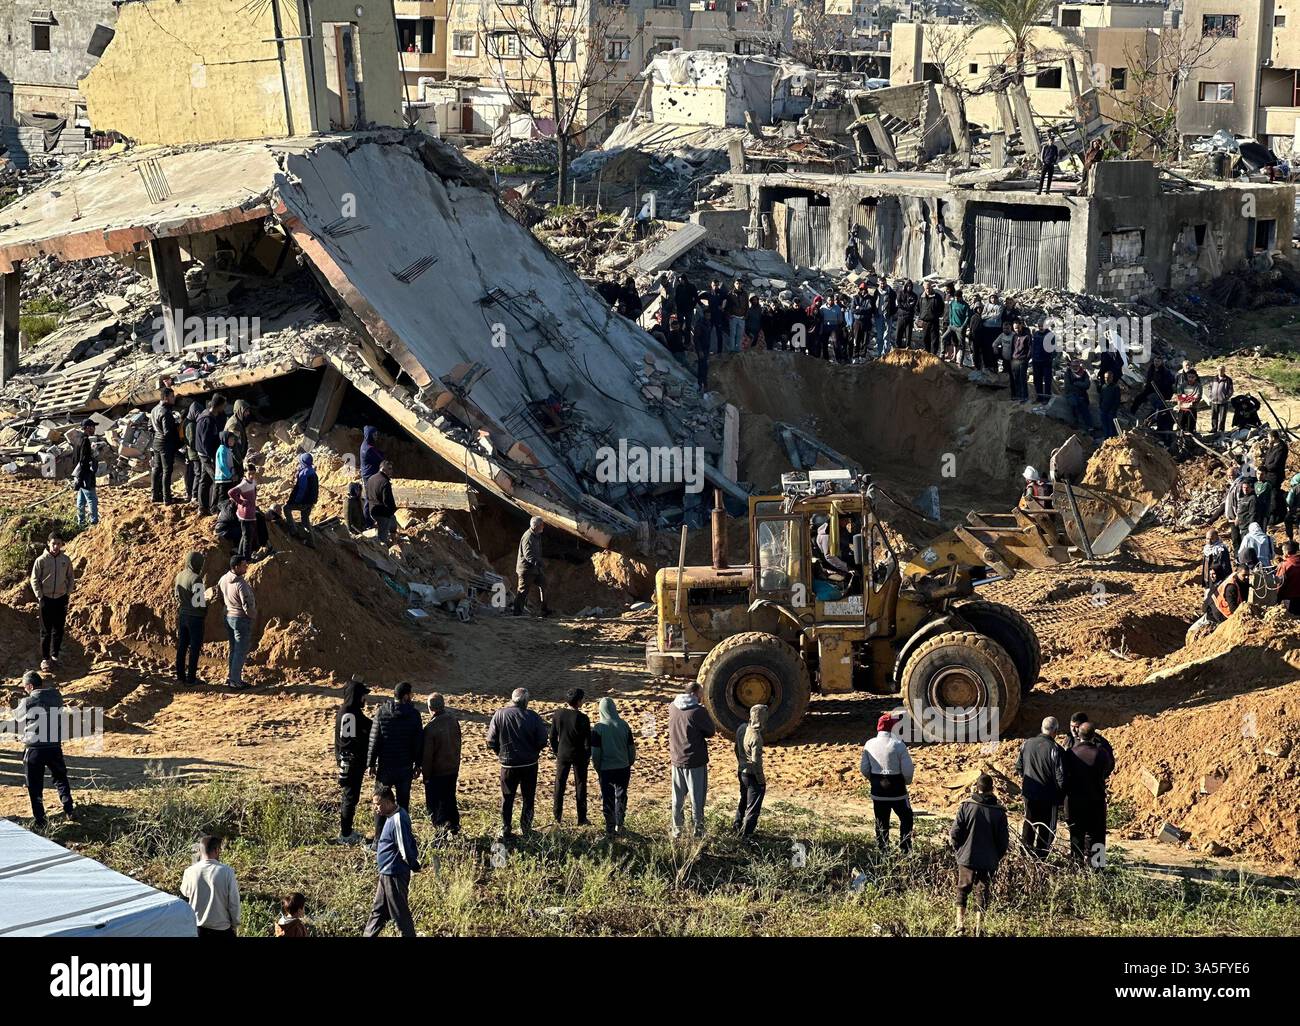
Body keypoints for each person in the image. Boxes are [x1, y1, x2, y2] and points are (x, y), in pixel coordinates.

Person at [3, 670, 76, 828]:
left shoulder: (27, 701)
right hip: (54, 747)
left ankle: (40, 820)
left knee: (35, 786)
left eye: (25, 687)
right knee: (60, 778)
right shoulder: (57, 696)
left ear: (29, 686)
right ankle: (69, 809)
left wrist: (16, 703)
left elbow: (18, 718)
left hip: (34, 748)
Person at [950, 773, 1009, 935]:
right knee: (982, 891)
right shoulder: (999, 812)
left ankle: (960, 925)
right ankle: (978, 928)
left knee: (962, 888)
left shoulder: (966, 806)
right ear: (992, 789)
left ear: (977, 788)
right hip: (988, 859)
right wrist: (996, 857)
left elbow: (955, 833)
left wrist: (959, 851)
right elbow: (1003, 842)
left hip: (966, 857)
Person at [486, 687, 549, 840]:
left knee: (507, 798)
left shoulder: (500, 714)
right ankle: (526, 828)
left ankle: (506, 828)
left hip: (508, 765)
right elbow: (542, 740)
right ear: (526, 701)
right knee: (528, 798)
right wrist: (533, 751)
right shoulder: (533, 716)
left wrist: (500, 754)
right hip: (529, 764)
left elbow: (490, 741)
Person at [366, 681, 423, 838]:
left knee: (380, 803)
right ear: (405, 696)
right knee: (403, 804)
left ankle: (379, 838)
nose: (412, 697)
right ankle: (402, 836)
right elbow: (418, 742)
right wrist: (418, 764)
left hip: (385, 766)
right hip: (404, 767)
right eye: (410, 695)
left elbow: (374, 739)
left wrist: (370, 763)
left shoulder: (382, 712)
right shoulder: (414, 715)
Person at [363, 786, 420, 938]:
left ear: (389, 802)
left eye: (378, 804)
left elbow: (404, 847)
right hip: (386, 873)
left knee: (400, 913)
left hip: (394, 873)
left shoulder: (398, 818)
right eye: (374, 804)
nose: (375, 808)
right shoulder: (391, 817)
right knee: (378, 911)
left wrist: (413, 864)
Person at [1062, 721, 1114, 866]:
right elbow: (1107, 770)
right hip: (1095, 801)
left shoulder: (1070, 754)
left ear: (1078, 735)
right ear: (1094, 736)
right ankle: (1097, 867)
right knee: (1097, 835)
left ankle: (1076, 866)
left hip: (1074, 802)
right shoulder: (1101, 754)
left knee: (1076, 836)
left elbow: (1064, 775)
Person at [861, 712, 915, 852]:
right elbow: (908, 770)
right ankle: (905, 847)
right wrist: (906, 782)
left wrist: (874, 779)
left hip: (878, 792)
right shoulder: (898, 745)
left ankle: (883, 849)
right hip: (898, 792)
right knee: (906, 817)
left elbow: (864, 768)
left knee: (881, 821)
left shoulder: (869, 744)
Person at [669, 682, 715, 839]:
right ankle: (698, 832)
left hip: (676, 759)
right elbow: (710, 731)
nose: (702, 696)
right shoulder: (698, 711)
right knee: (697, 800)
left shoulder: (672, 707)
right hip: (694, 761)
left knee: (677, 800)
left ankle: (677, 831)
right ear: (695, 694)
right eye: (701, 693)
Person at [1014, 716, 1065, 858]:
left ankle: (1025, 856)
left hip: (1029, 794)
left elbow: (1019, 768)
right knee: (1046, 830)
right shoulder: (1055, 749)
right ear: (1055, 731)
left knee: (1029, 825)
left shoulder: (1027, 744)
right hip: (1048, 797)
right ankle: (1041, 859)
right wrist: (1061, 797)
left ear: (1041, 728)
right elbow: (1060, 777)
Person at [591, 696, 636, 838]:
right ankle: (620, 824)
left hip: (606, 769)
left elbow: (595, 753)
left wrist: (598, 768)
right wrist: (629, 763)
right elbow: (631, 748)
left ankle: (609, 828)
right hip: (623, 767)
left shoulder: (599, 728)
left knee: (608, 798)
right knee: (621, 796)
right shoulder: (624, 725)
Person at [335, 675, 372, 844]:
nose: (365, 699)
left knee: (350, 797)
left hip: (348, 761)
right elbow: (353, 740)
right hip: (351, 763)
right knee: (350, 797)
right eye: (363, 695)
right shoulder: (350, 714)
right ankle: (346, 834)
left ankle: (347, 831)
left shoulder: (346, 711)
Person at [31, 533, 75, 673]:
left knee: (59, 629)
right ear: (48, 543)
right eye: (53, 543)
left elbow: (71, 577)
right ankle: (45, 659)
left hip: (61, 598)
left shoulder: (65, 560)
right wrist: (40, 596)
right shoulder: (41, 560)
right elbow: (34, 579)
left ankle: (55, 656)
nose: (56, 546)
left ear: (62, 544)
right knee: (46, 631)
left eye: (59, 543)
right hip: (46, 599)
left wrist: (67, 593)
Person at [180, 836, 240, 938]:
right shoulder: (227, 872)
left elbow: (185, 892)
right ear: (216, 850)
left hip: (197, 928)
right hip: (221, 929)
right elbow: (234, 902)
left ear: (199, 850)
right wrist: (235, 923)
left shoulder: (189, 871)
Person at [421, 694, 462, 837]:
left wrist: (425, 776)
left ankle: (440, 830)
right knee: (450, 798)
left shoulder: (430, 728)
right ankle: (454, 826)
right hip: (452, 768)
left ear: (430, 708)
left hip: (437, 772)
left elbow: (427, 756)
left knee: (435, 804)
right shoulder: (453, 720)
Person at [549, 687, 591, 826]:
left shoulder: (558, 714)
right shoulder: (583, 718)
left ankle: (557, 817)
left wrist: (557, 751)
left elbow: (552, 736)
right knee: (580, 786)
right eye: (582, 699)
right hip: (579, 756)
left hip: (563, 754)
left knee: (559, 785)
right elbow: (587, 742)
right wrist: (587, 756)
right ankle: (582, 818)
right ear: (578, 702)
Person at [217, 554, 255, 690]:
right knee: (240, 651)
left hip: (228, 617)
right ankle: (235, 681)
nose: (246, 567)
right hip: (240, 619)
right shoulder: (241, 584)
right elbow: (247, 606)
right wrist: (252, 616)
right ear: (236, 567)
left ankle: (231, 677)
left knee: (233, 649)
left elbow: (219, 596)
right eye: (244, 565)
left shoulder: (223, 579)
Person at [174, 550, 211, 686]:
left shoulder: (179, 576)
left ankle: (180, 676)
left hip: (183, 615)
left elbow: (177, 597)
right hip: (195, 618)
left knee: (182, 647)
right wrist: (208, 602)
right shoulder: (196, 578)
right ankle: (191, 678)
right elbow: (198, 602)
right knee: (194, 648)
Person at [733, 703, 767, 837]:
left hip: (741, 771)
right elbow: (756, 761)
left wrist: (740, 763)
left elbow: (736, 748)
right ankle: (746, 836)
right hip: (752, 775)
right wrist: (761, 780)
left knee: (743, 800)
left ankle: (736, 826)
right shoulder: (756, 737)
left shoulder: (741, 728)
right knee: (753, 807)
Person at [195, 394, 227, 515]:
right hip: (206, 454)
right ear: (218, 406)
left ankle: (203, 507)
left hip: (205, 453)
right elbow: (205, 442)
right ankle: (214, 508)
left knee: (205, 480)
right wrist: (213, 457)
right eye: (223, 405)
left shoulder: (210, 415)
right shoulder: (206, 420)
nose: (224, 408)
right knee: (217, 479)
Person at [149, 387, 182, 504]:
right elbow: (168, 432)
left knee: (157, 469)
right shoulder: (165, 412)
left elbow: (150, 428)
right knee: (167, 470)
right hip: (165, 444)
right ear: (166, 397)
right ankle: (167, 497)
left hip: (156, 442)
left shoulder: (154, 410)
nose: (174, 399)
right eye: (172, 396)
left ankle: (154, 494)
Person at [1130, 354, 1175, 439]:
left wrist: (1162, 387)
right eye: (1155, 361)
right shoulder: (1151, 369)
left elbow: (1170, 381)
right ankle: (1132, 413)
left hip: (1162, 391)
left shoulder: (1165, 371)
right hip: (1151, 389)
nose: (1156, 363)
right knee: (1139, 398)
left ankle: (1154, 422)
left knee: (1159, 407)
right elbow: (1148, 380)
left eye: (1158, 361)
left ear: (1161, 362)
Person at [512, 515, 550, 616]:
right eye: (541, 525)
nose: (543, 527)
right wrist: (540, 563)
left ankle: (544, 610)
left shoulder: (536, 535)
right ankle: (517, 613)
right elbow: (528, 555)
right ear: (535, 526)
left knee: (544, 584)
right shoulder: (528, 537)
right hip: (526, 569)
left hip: (535, 569)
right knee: (523, 591)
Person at [228, 462, 261, 561]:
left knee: (245, 535)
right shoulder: (244, 484)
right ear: (245, 473)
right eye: (249, 473)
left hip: (250, 512)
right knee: (248, 538)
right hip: (245, 515)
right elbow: (231, 492)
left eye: (253, 473)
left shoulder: (253, 481)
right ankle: (247, 559)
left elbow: (254, 489)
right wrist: (241, 501)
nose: (251, 476)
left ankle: (240, 555)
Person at [72, 419, 99, 528]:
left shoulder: (77, 439)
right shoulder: (85, 440)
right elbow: (83, 460)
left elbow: (75, 458)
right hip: (85, 474)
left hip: (78, 473)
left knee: (81, 500)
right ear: (87, 427)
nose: (94, 429)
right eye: (92, 426)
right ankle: (94, 523)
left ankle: (81, 523)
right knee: (92, 499)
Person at [1260, 430, 1290, 526]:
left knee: (1274, 495)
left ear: (1273, 437)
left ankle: (1276, 517)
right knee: (1271, 494)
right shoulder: (1272, 445)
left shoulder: (1282, 447)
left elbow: (1276, 464)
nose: (1268, 439)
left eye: (1269, 437)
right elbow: (1267, 458)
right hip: (1268, 474)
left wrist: (1265, 468)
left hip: (1275, 475)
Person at [365, 460, 398, 545]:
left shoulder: (371, 479)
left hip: (372, 510)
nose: (391, 471)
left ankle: (393, 539)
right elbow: (387, 501)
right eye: (389, 469)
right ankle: (382, 551)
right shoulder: (385, 482)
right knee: (382, 538)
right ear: (383, 469)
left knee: (393, 520)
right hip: (382, 514)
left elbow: (367, 496)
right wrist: (393, 510)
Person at [284, 452, 319, 532]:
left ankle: (293, 530)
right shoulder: (313, 472)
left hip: (304, 502)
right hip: (310, 502)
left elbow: (301, 489)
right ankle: (311, 541)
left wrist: (296, 501)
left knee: (286, 508)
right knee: (305, 520)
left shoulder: (304, 473)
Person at [359, 425, 384, 527]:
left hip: (367, 474)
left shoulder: (365, 445)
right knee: (370, 499)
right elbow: (380, 458)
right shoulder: (369, 449)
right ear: (369, 435)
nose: (376, 436)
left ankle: (370, 520)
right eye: (374, 434)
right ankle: (369, 523)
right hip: (370, 476)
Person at [1226, 475, 1257, 554]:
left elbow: (1252, 514)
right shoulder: (1242, 498)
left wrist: (1250, 527)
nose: (1245, 490)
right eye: (1243, 488)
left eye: (1247, 488)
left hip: (1247, 527)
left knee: (1247, 546)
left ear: (1251, 488)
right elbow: (1240, 510)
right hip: (1240, 525)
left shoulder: (1252, 498)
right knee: (1237, 541)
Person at [223, 398, 253, 479]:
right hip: (233, 461)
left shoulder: (238, 421)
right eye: (246, 411)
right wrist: (239, 461)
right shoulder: (234, 425)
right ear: (240, 411)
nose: (248, 413)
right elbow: (232, 446)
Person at [1173, 360, 1203, 435]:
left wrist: (1187, 399)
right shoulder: (1182, 384)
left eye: (1192, 377)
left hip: (1192, 409)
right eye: (1189, 377)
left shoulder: (1198, 386)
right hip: (1182, 408)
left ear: (1195, 377)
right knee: (1180, 427)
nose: (1191, 378)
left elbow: (1197, 397)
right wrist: (1180, 403)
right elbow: (1179, 395)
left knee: (1190, 428)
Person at [214, 431, 238, 522]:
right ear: (225, 439)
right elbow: (222, 465)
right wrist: (230, 475)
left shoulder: (227, 449)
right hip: (223, 479)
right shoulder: (222, 450)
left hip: (227, 479)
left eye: (233, 439)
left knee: (227, 497)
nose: (233, 441)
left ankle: (226, 513)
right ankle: (220, 515)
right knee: (222, 498)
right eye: (231, 439)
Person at [1063, 359, 1093, 430]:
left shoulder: (1084, 373)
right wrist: (1080, 387)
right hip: (1071, 395)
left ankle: (1089, 427)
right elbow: (1067, 386)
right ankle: (1075, 424)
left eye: (1076, 366)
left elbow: (1087, 385)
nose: (1075, 367)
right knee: (1074, 404)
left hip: (1082, 395)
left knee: (1085, 407)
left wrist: (1077, 384)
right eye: (1073, 366)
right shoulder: (1068, 373)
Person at [1030, 321, 1054, 405]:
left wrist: (1052, 358)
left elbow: (1054, 348)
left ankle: (1047, 398)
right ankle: (1039, 397)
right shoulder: (1036, 334)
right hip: (1036, 361)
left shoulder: (1050, 335)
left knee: (1047, 380)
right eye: (1039, 326)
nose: (1041, 328)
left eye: (1042, 326)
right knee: (1037, 380)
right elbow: (1033, 346)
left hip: (1046, 361)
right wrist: (1032, 357)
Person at [916, 280, 943, 355]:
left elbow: (941, 308)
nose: (927, 290)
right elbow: (917, 307)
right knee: (925, 339)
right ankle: (927, 354)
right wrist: (920, 316)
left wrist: (936, 315)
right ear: (924, 287)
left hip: (934, 321)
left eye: (929, 288)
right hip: (925, 322)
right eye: (926, 288)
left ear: (931, 287)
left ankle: (934, 354)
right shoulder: (921, 296)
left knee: (934, 339)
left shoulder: (937, 297)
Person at [183, 399, 202, 505]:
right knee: (197, 474)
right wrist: (199, 449)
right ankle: (194, 495)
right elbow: (191, 440)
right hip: (194, 454)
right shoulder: (190, 424)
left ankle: (191, 493)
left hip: (191, 453)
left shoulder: (189, 422)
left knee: (193, 473)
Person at [1007, 320, 1032, 401]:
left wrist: (1026, 359)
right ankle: (1018, 395)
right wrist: (1011, 358)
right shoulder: (1014, 336)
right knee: (1015, 378)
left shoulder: (1026, 336)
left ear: (1021, 326)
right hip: (1014, 360)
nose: (1016, 329)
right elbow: (1012, 348)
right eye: (1015, 328)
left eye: (1017, 328)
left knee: (1023, 378)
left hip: (1022, 360)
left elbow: (1030, 349)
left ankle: (1024, 396)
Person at [691, 296, 712, 389]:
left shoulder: (708, 323)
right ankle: (700, 383)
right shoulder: (700, 324)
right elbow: (696, 338)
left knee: (705, 366)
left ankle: (704, 382)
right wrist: (699, 350)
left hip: (706, 347)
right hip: (701, 348)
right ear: (704, 315)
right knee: (701, 366)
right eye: (707, 315)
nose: (708, 316)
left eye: (709, 315)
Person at [1207, 365, 1233, 435]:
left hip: (1223, 401)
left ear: (1224, 370)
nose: (1220, 371)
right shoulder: (1213, 379)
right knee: (1214, 416)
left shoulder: (1228, 379)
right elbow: (1209, 388)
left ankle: (1221, 430)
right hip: (1214, 401)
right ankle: (1214, 429)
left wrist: (1226, 397)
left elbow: (1231, 390)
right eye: (1219, 370)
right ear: (1217, 370)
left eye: (1222, 370)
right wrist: (1210, 396)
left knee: (1222, 417)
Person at [1275, 541, 1300, 613]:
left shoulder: (1284, 565)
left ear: (1286, 552)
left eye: (1283, 551)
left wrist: (1278, 599)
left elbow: (1279, 584)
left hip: (1290, 599)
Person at [894, 279, 917, 348]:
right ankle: (897, 348)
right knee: (898, 334)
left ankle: (907, 348)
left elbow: (911, 306)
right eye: (907, 286)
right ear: (905, 286)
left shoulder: (914, 295)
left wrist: (903, 305)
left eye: (910, 286)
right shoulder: (900, 293)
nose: (909, 288)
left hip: (909, 318)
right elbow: (898, 303)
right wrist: (906, 304)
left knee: (908, 335)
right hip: (901, 317)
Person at [726, 278, 748, 353]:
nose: (738, 285)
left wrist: (746, 315)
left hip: (742, 317)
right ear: (734, 284)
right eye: (737, 283)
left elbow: (747, 305)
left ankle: (738, 349)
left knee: (740, 335)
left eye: (740, 283)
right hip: (733, 317)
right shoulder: (730, 294)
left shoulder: (745, 294)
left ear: (742, 284)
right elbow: (727, 306)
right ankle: (731, 349)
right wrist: (729, 315)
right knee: (732, 334)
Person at [1098, 370, 1121, 438]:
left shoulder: (1115, 387)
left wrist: (1113, 410)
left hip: (1111, 410)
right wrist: (1101, 406)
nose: (1106, 379)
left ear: (1112, 378)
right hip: (1103, 409)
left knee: (1111, 426)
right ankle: (1106, 438)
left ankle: (1112, 438)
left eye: (1108, 378)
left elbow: (1117, 400)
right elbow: (1101, 397)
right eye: (1105, 378)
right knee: (1105, 425)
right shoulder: (1103, 387)